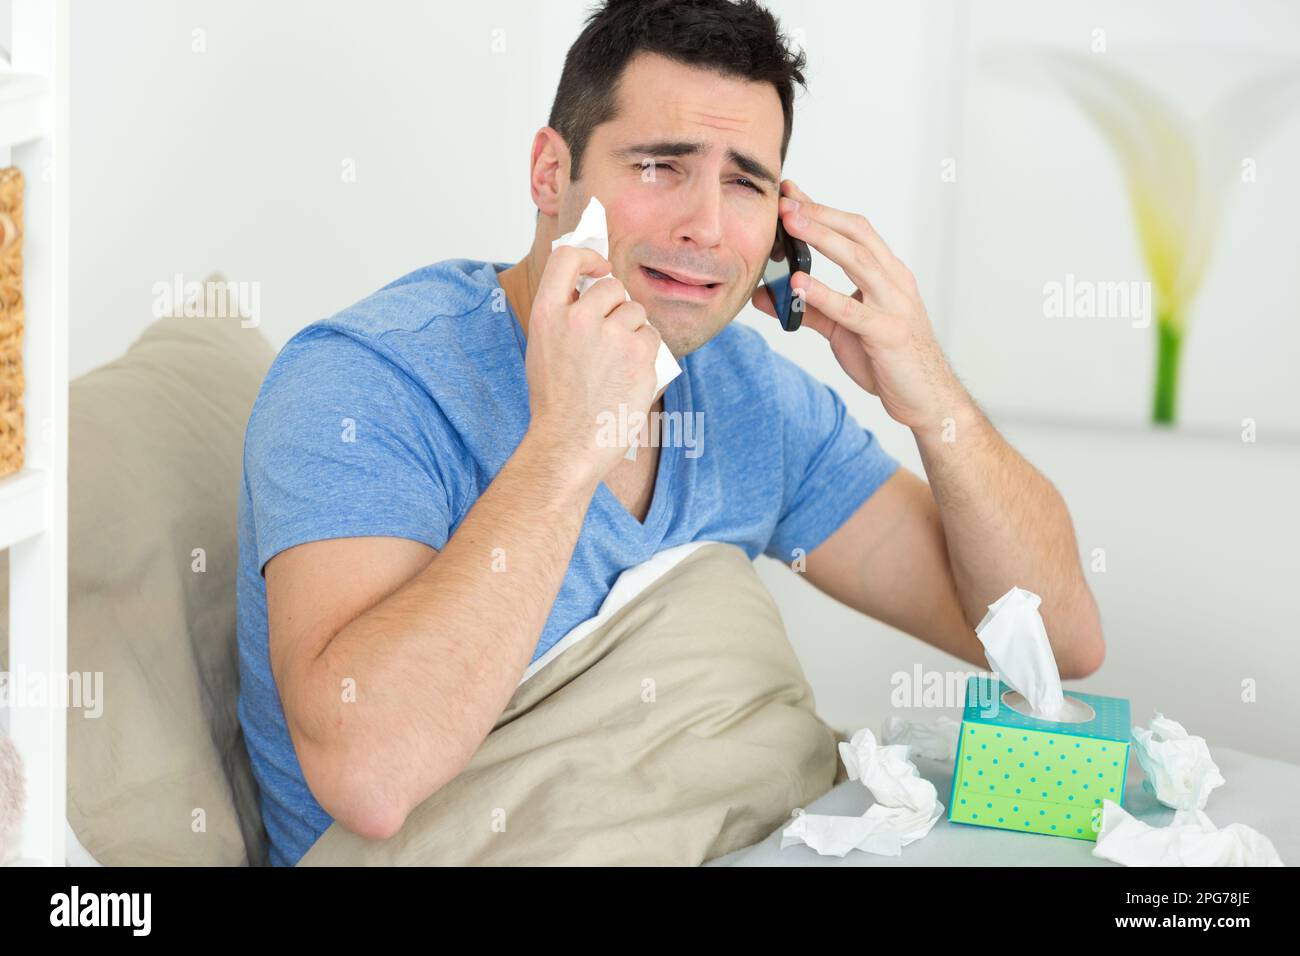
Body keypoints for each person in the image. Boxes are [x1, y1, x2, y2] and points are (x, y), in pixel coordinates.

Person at [236, 0, 1104, 867]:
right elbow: (370, 777)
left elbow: (1055, 643)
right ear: (550, 173)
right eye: (660, 165)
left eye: (745, 183)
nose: (707, 226)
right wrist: (570, 444)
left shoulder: (744, 390)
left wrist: (934, 401)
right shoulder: (361, 383)